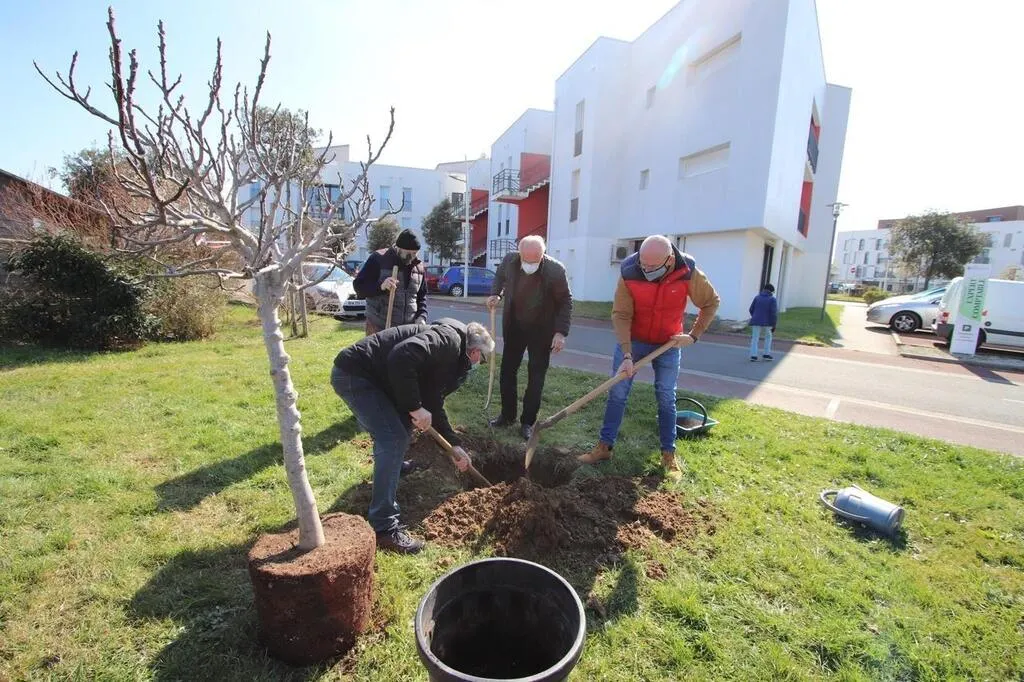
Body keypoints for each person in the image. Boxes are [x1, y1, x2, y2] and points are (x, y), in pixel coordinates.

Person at [331, 318, 495, 553]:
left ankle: (394, 467)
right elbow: (401, 356)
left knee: (403, 426)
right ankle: (384, 528)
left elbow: (433, 401)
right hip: (356, 375)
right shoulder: (448, 341)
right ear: (475, 351)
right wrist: (414, 406)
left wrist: (454, 445)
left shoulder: (452, 357)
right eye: (482, 357)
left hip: (379, 378)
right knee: (393, 438)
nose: (479, 362)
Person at [578, 235, 720, 471]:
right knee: (617, 393)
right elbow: (621, 314)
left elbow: (711, 302)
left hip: (669, 344)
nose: (645, 269)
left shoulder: (688, 271)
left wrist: (693, 335)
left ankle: (668, 455)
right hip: (634, 341)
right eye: (643, 263)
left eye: (652, 266)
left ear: (669, 259)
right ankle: (604, 448)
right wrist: (626, 354)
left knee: (665, 396)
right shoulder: (630, 271)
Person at [486, 235, 573, 440]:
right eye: (526, 259)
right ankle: (507, 416)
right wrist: (496, 294)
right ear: (520, 253)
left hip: (542, 329)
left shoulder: (555, 270)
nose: (530, 264)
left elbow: (565, 301)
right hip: (514, 325)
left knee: (536, 376)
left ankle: (527, 422)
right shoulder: (510, 260)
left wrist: (560, 332)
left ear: (543, 255)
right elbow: (499, 276)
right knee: (507, 371)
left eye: (535, 260)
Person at [352, 228, 427, 335]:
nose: (412, 258)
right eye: (408, 253)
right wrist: (381, 287)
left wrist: (421, 316)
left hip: (408, 330)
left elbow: (421, 297)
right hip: (379, 326)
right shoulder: (378, 259)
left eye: (415, 253)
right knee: (378, 353)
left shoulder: (419, 267)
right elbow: (359, 287)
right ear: (398, 249)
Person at [748, 283, 778, 361]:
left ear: (764, 289)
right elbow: (773, 313)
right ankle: (766, 354)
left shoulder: (757, 298)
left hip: (756, 320)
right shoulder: (772, 299)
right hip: (768, 322)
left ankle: (753, 356)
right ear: (771, 291)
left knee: (755, 338)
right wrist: (774, 324)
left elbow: (751, 309)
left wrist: (755, 316)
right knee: (768, 337)